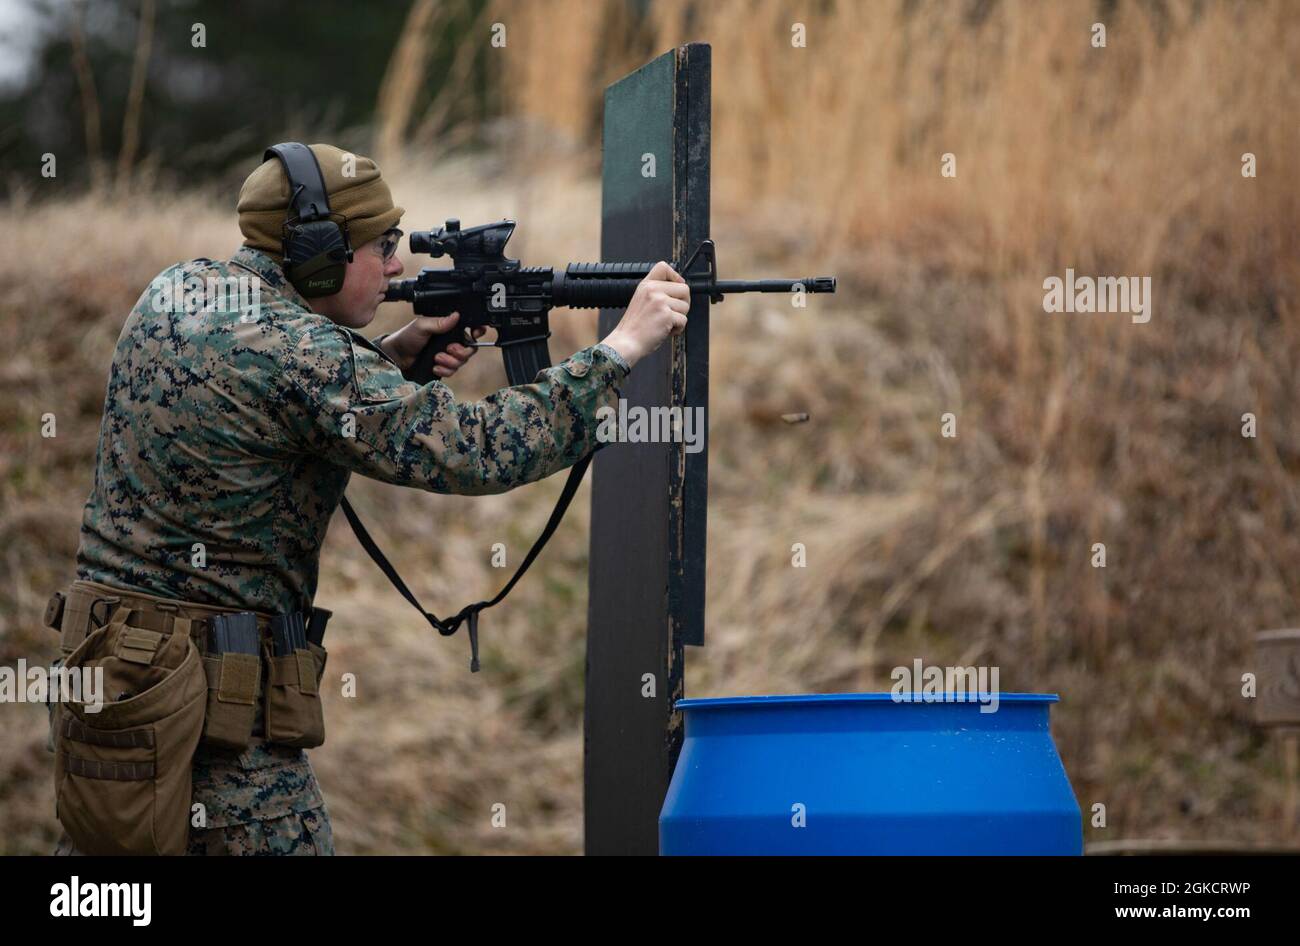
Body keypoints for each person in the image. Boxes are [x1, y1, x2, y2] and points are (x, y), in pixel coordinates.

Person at [48, 142, 689, 855]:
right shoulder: (304, 354)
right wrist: (619, 350)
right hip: (214, 726)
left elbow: (263, 402)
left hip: (112, 697)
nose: (397, 267)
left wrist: (385, 361)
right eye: (381, 247)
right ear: (319, 255)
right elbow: (475, 449)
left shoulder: (177, 290)